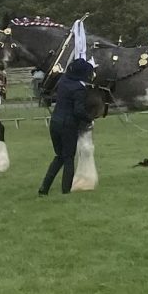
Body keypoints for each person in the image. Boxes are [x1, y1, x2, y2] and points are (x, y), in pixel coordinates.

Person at [40, 58, 95, 195]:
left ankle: (44, 188)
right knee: (69, 158)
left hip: (55, 122)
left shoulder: (63, 81)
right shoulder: (79, 89)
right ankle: (66, 190)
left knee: (59, 156)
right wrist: (89, 119)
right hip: (68, 125)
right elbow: (78, 111)